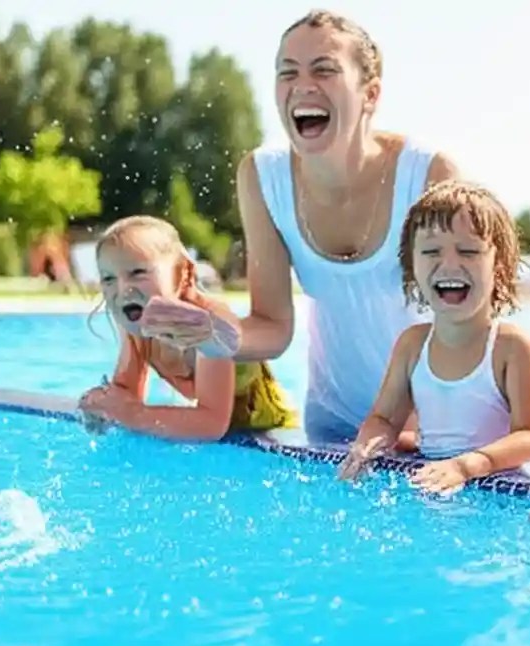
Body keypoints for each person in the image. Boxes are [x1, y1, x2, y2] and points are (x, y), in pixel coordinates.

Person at [134, 10, 459, 443]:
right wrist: (216, 334)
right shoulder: (263, 178)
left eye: (324, 70)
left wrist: (417, 428)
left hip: (435, 428)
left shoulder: (427, 175)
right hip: (333, 423)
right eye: (287, 73)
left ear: (370, 94)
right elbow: (272, 325)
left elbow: (471, 324)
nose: (302, 86)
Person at [336, 180, 530, 495]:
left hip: (496, 489)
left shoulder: (510, 348)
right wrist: (367, 446)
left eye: (468, 251)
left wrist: (466, 465)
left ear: (499, 267)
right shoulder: (413, 345)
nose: (449, 264)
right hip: (432, 478)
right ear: (412, 267)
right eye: (432, 251)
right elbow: (384, 418)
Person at [78, 216, 297, 441]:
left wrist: (134, 414)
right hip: (229, 436)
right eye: (108, 279)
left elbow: (212, 424)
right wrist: (103, 405)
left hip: (270, 427)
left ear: (182, 274)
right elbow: (127, 394)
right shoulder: (137, 323)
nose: (123, 289)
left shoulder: (208, 326)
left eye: (138, 273)